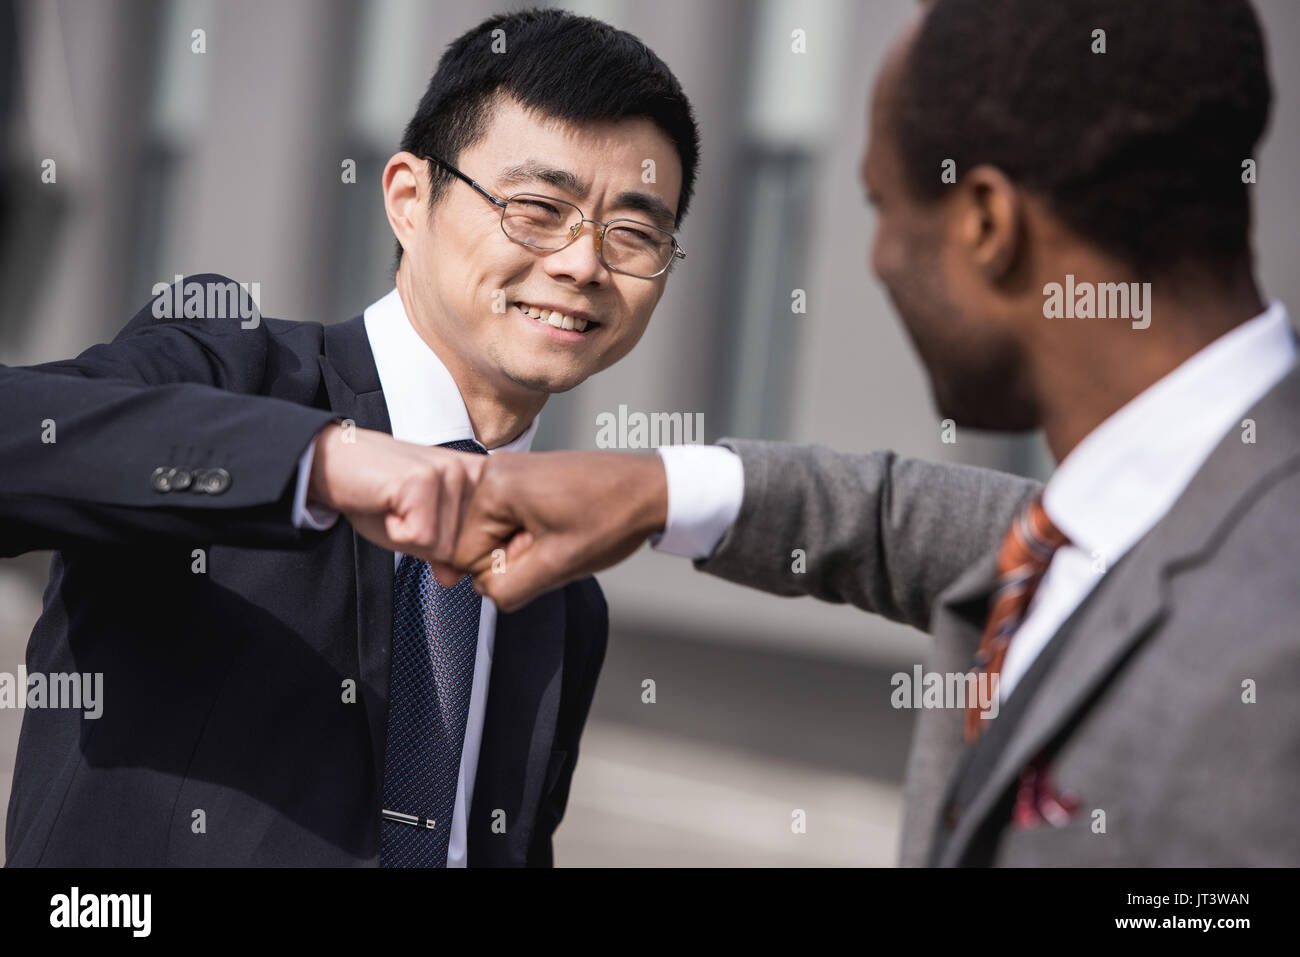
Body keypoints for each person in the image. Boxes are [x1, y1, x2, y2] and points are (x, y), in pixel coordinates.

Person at [451, 0, 1300, 865]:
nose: (878, 255)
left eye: (881, 205)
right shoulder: (1158, 517)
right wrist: (658, 488)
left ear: (986, 228)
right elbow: (913, 521)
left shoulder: (1271, 633)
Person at [3, 8, 699, 867]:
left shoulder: (558, 596)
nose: (583, 263)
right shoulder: (234, 371)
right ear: (410, 199)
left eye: (633, 231)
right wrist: (320, 463)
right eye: (537, 208)